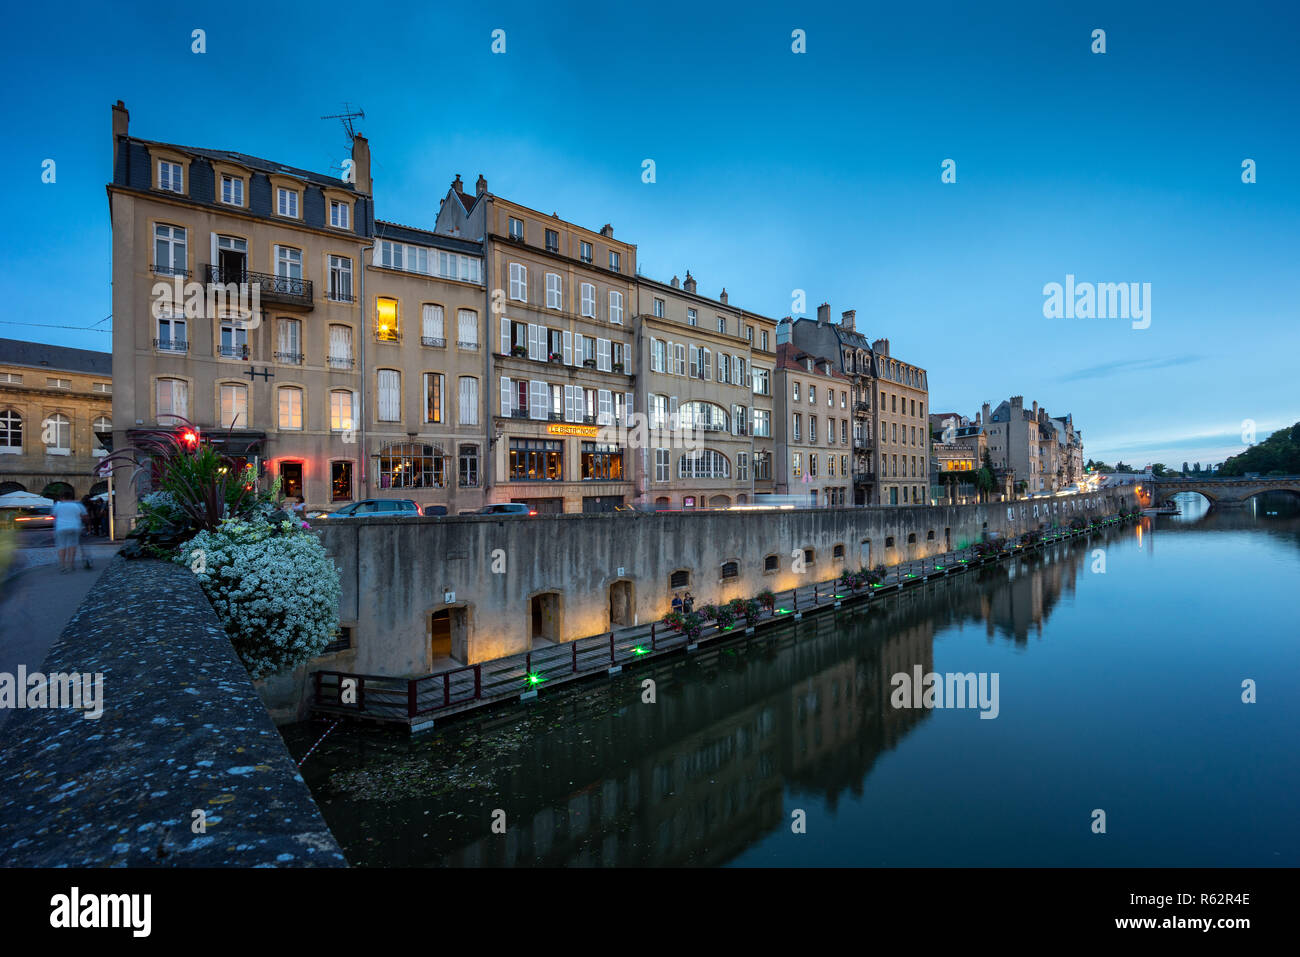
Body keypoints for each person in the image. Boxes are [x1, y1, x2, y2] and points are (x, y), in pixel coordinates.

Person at [53, 490, 88, 573]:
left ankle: (62, 565)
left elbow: (53, 515)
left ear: (62, 498)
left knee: (61, 546)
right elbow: (85, 516)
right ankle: (71, 565)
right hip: (74, 527)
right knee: (72, 546)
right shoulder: (78, 505)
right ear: (72, 498)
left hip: (60, 527)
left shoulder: (57, 505)